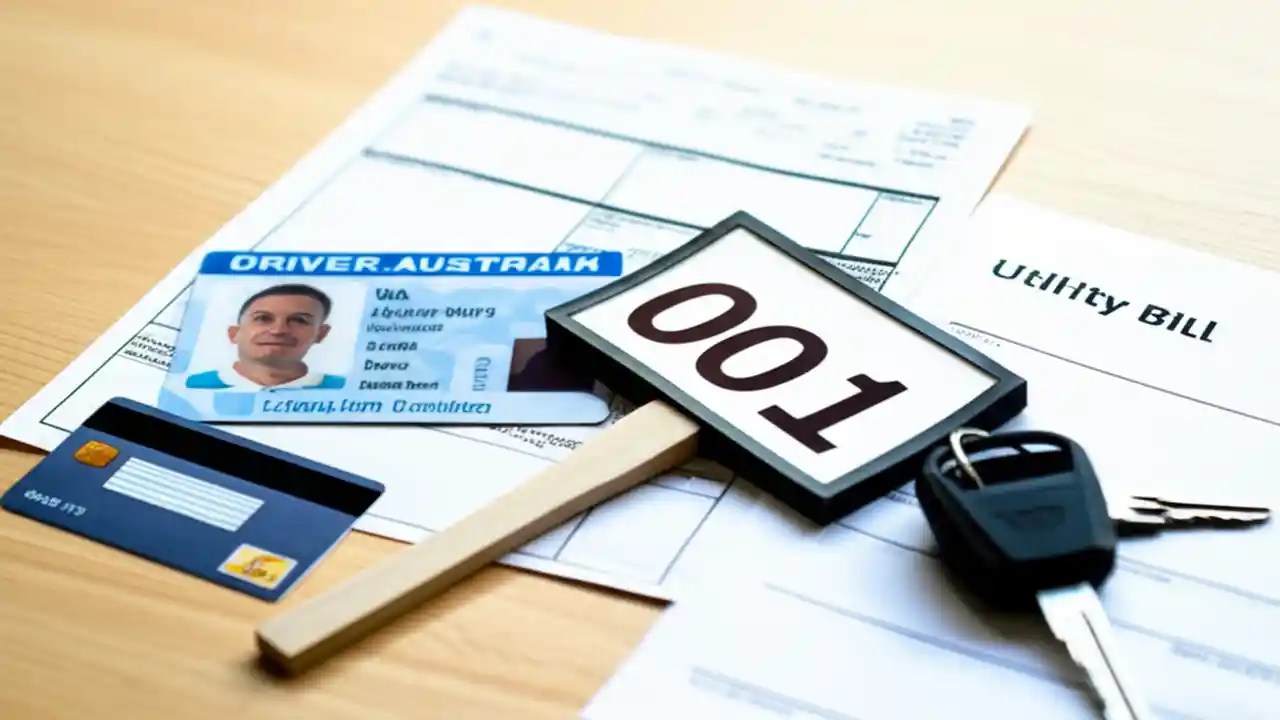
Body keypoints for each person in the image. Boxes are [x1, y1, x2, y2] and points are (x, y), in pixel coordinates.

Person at [185, 283, 345, 390]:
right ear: (234, 333)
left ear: (321, 334)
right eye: (262, 318)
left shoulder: (344, 388)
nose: (278, 330)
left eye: (298, 320)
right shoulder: (191, 386)